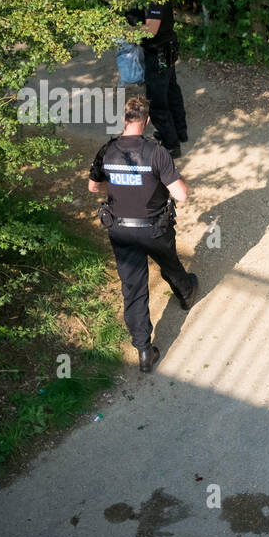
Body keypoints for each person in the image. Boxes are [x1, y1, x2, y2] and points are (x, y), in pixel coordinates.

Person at [88, 96, 199, 372]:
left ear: (124, 119)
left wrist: (118, 187)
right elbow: (181, 195)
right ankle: (185, 295)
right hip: (153, 228)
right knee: (169, 262)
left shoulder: (107, 151)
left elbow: (93, 187)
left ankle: (144, 352)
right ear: (147, 121)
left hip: (121, 230)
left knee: (133, 289)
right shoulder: (156, 152)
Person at [121, 0, 188, 157]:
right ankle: (179, 132)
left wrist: (125, 33)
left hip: (158, 51)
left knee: (157, 100)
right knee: (171, 91)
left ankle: (171, 145)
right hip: (166, 47)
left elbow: (151, 29)